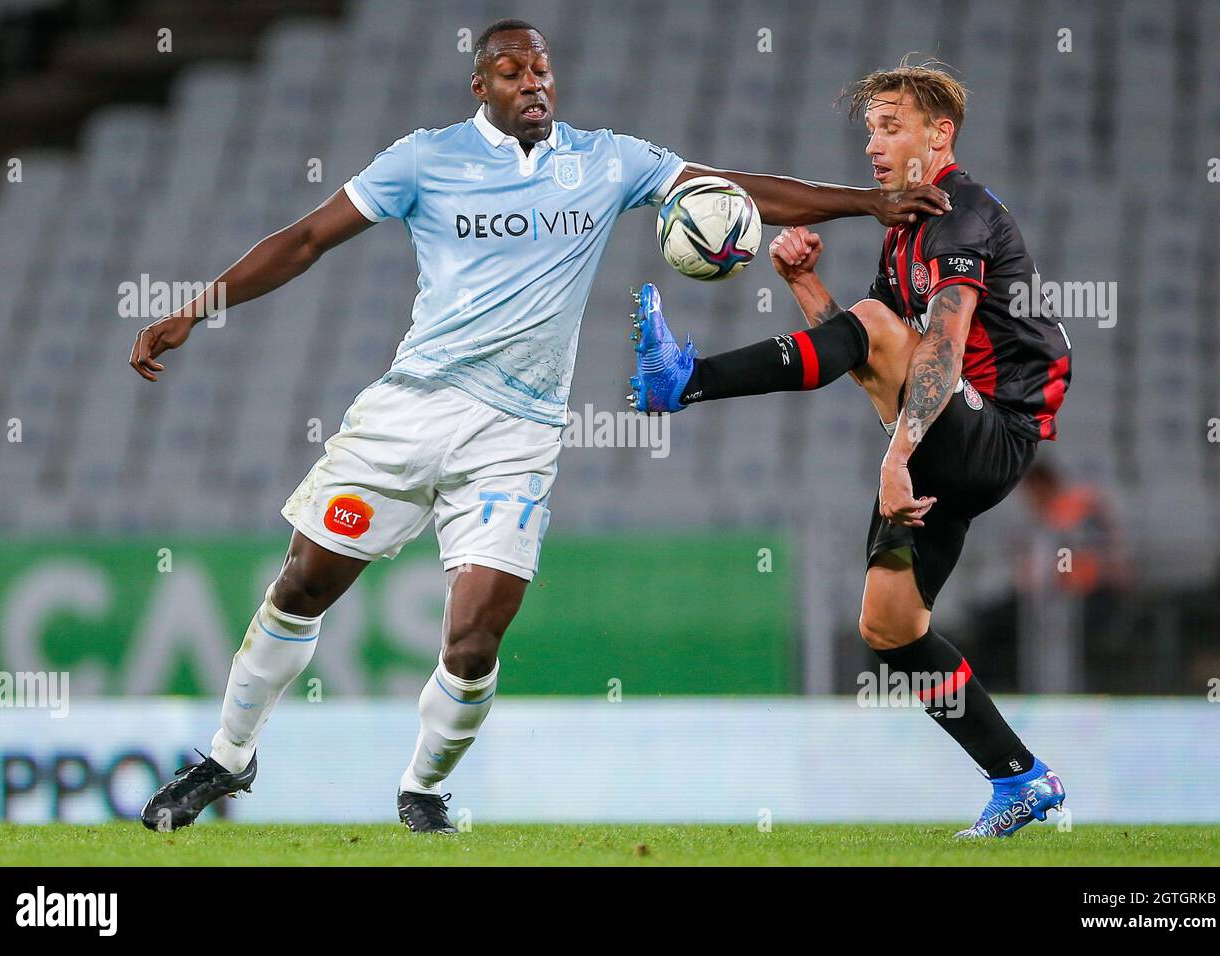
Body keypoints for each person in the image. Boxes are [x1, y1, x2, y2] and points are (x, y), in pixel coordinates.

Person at [130, 20, 948, 833]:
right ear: (480, 87)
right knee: (304, 584)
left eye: (542, 71)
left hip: (517, 435)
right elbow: (307, 239)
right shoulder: (425, 158)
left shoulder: (603, 161)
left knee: (476, 637)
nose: (534, 85)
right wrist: (197, 310)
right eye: (512, 72)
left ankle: (422, 792)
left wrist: (869, 205)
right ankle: (229, 757)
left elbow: (731, 192)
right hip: (408, 412)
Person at [630, 60, 1072, 837]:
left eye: (891, 124)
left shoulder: (960, 212)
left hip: (992, 432)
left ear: (940, 134)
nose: (873, 143)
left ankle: (684, 382)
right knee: (891, 627)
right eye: (869, 128)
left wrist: (897, 456)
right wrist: (806, 288)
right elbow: (870, 353)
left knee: (876, 319)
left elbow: (941, 343)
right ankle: (1021, 778)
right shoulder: (902, 229)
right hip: (942, 440)